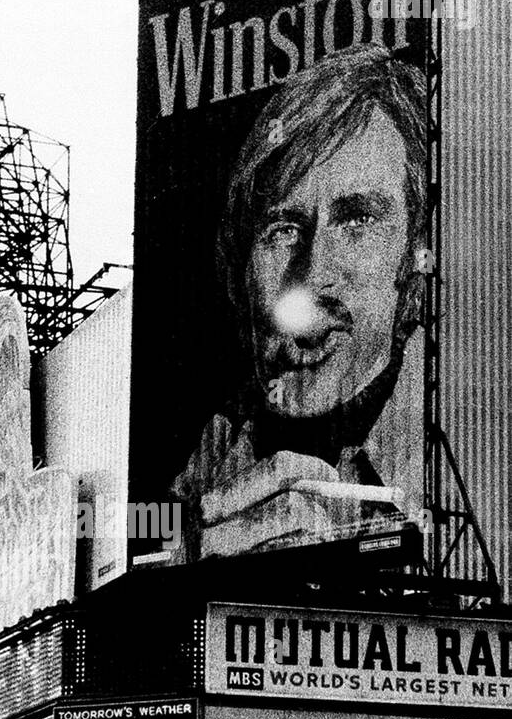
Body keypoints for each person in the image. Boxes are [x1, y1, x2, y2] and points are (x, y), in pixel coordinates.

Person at [172, 45, 426, 561]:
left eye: (357, 219)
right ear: (239, 272)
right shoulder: (199, 473)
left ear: (415, 255)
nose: (311, 277)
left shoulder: (471, 460)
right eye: (283, 230)